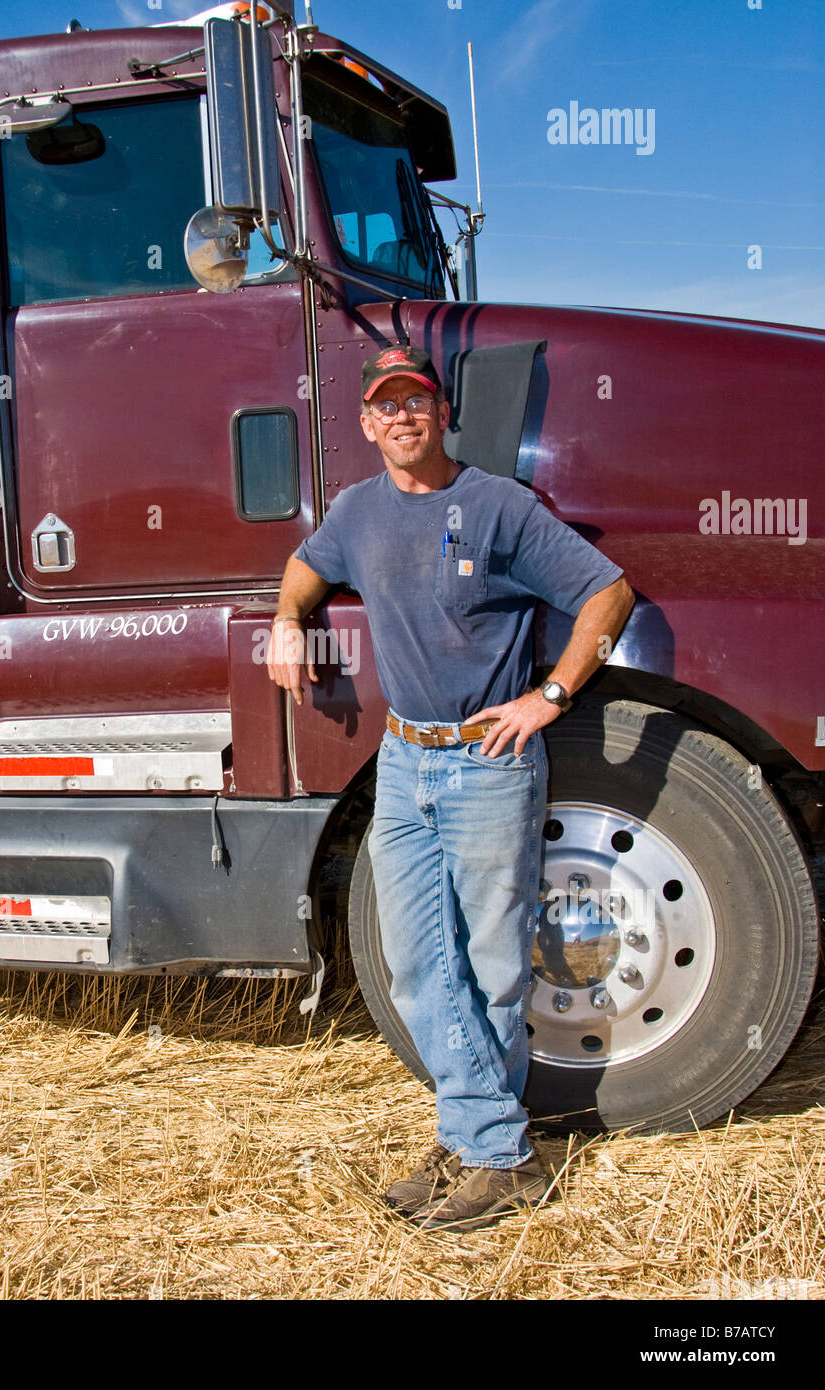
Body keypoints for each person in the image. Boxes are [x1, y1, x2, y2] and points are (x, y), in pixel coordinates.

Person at [267, 345, 634, 1232]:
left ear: (439, 413)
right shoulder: (356, 512)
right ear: (365, 424)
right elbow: (306, 567)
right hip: (402, 762)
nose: (401, 417)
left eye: (415, 402)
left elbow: (608, 593)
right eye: (384, 406)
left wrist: (550, 696)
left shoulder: (499, 506)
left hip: (486, 762)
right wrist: (287, 620)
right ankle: (480, 1136)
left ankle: (489, 1147)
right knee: (417, 964)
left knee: (495, 966)